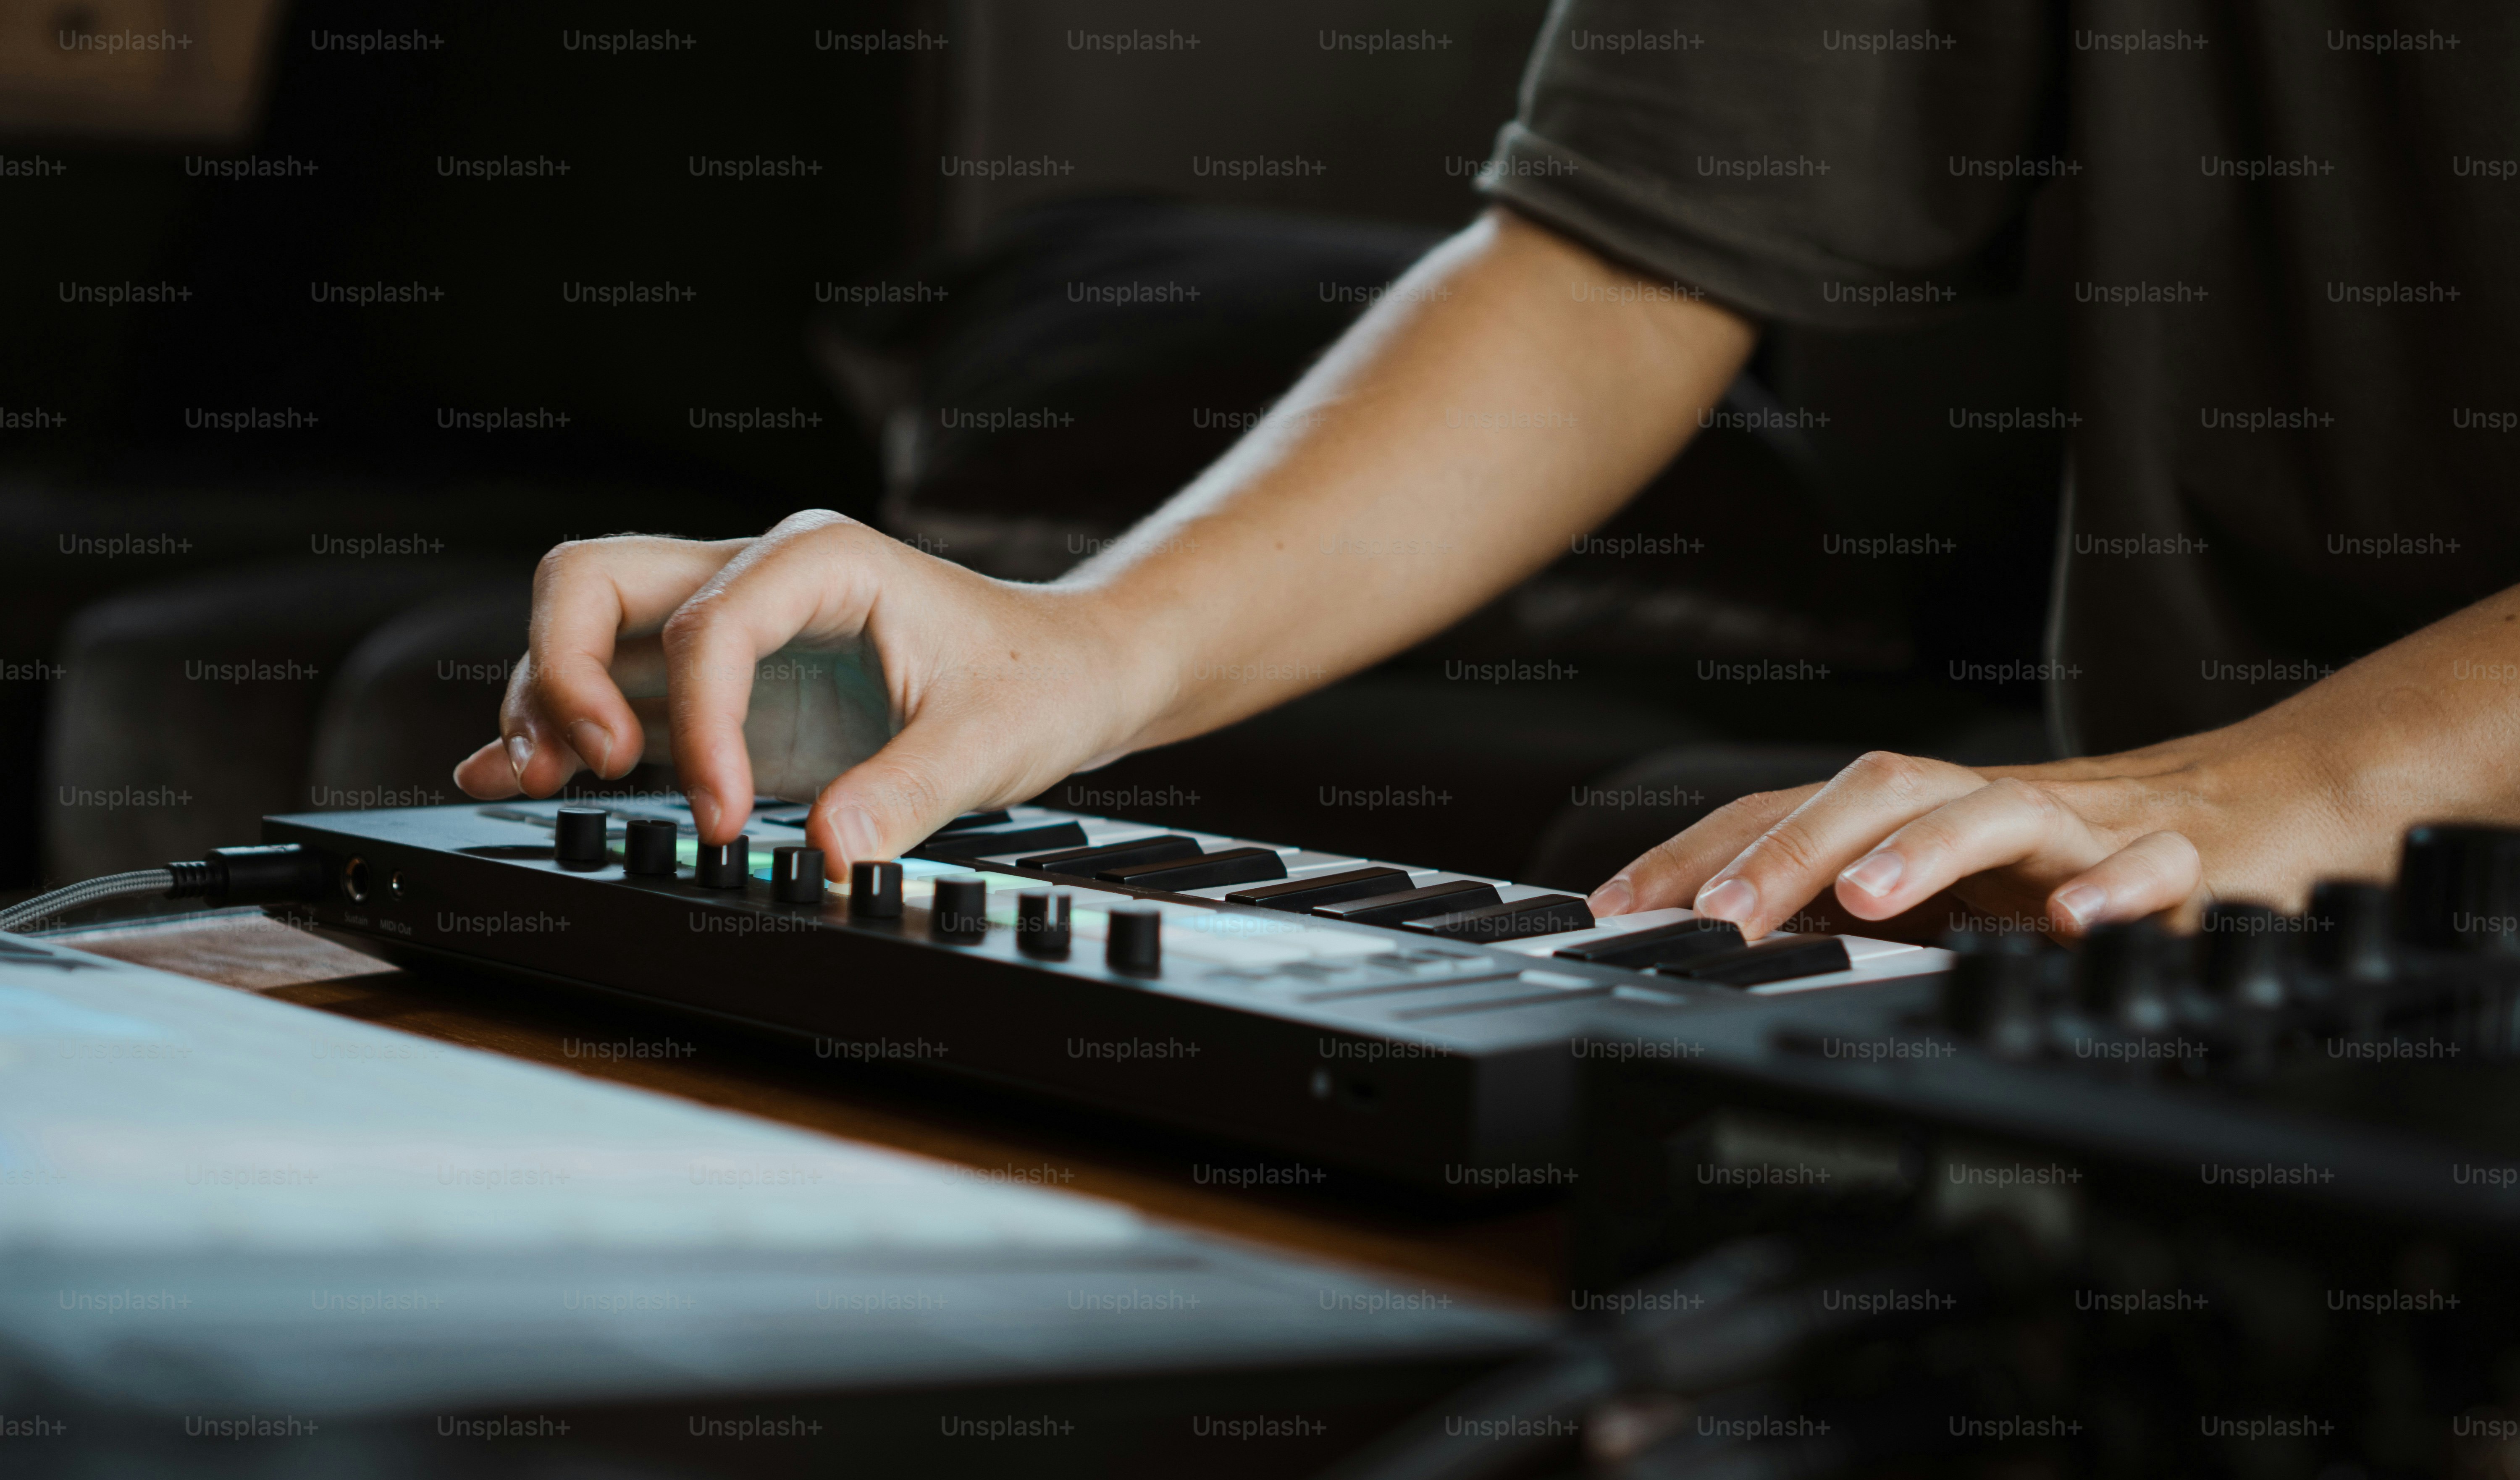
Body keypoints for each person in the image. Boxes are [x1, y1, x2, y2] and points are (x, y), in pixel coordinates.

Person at [455, 1, 2520, 945]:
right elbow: (1625, 254)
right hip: (2151, 951)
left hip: (2261, 866)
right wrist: (1085, 646)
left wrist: (2312, 780)